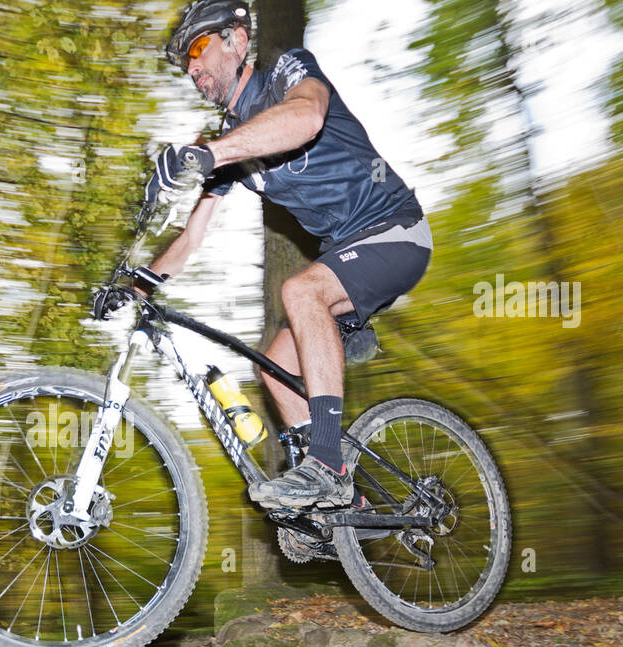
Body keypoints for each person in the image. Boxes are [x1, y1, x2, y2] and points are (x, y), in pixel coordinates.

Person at [142, 1, 432, 509]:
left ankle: (327, 467)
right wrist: (138, 285)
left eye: (197, 49)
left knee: (299, 289)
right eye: (185, 62)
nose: (191, 68)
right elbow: (190, 240)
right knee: (274, 364)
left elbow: (308, 116)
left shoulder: (286, 73)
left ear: (236, 40)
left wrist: (212, 153)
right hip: (348, 253)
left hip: (396, 230)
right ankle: (340, 511)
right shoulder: (229, 148)